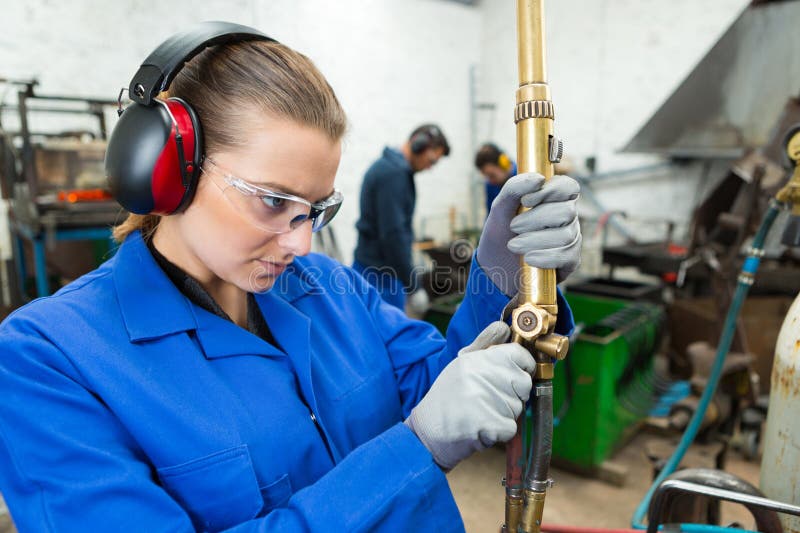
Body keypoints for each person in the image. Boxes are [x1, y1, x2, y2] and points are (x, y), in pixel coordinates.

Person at [0, 22, 581, 532]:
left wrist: (506, 283)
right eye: (273, 201)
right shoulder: (48, 361)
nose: (301, 243)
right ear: (167, 171)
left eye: (316, 208)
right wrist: (414, 451)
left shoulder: (328, 288)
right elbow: (428, 427)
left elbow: (443, 381)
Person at [353, 124, 450, 310]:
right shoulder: (394, 174)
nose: (430, 167)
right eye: (431, 160)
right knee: (385, 336)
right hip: (380, 276)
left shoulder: (393, 169)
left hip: (376, 270)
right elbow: (393, 235)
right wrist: (413, 286)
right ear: (417, 145)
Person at [475, 142, 517, 216]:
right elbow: (490, 216)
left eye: (492, 175)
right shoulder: (490, 185)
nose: (491, 181)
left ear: (504, 163)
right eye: (487, 177)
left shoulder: (522, 175)